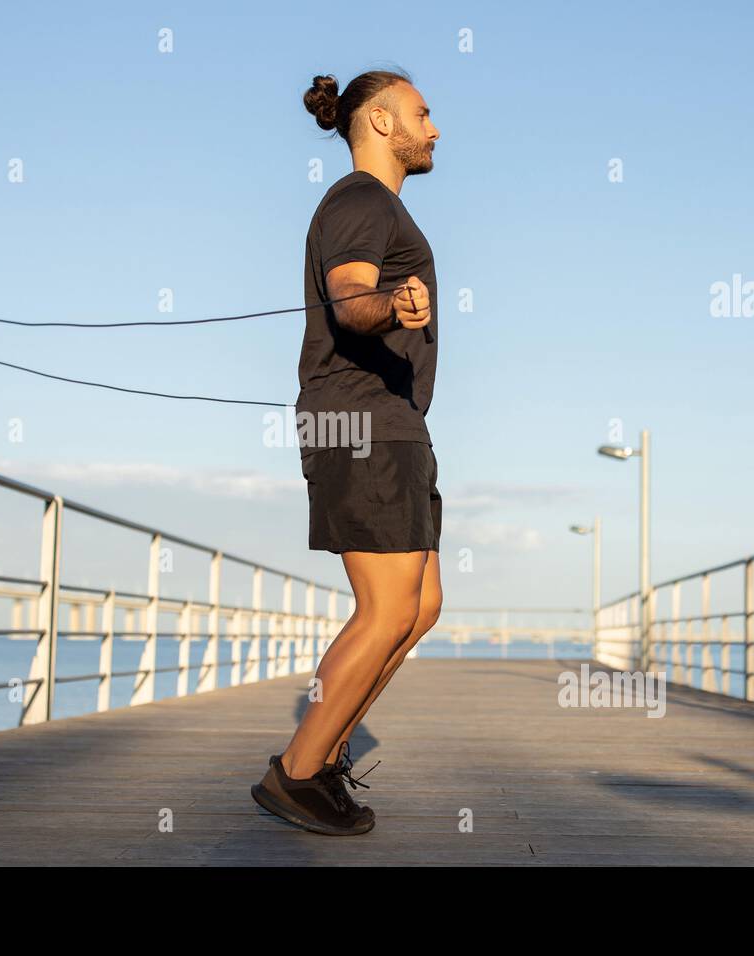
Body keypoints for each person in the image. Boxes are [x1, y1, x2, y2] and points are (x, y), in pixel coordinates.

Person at [250, 68, 443, 836]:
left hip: (388, 423)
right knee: (387, 605)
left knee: (419, 606)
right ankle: (296, 774)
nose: (435, 128)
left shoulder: (379, 206)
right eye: (423, 114)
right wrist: (391, 303)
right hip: (360, 424)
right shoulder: (361, 200)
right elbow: (350, 293)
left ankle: (319, 758)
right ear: (383, 123)